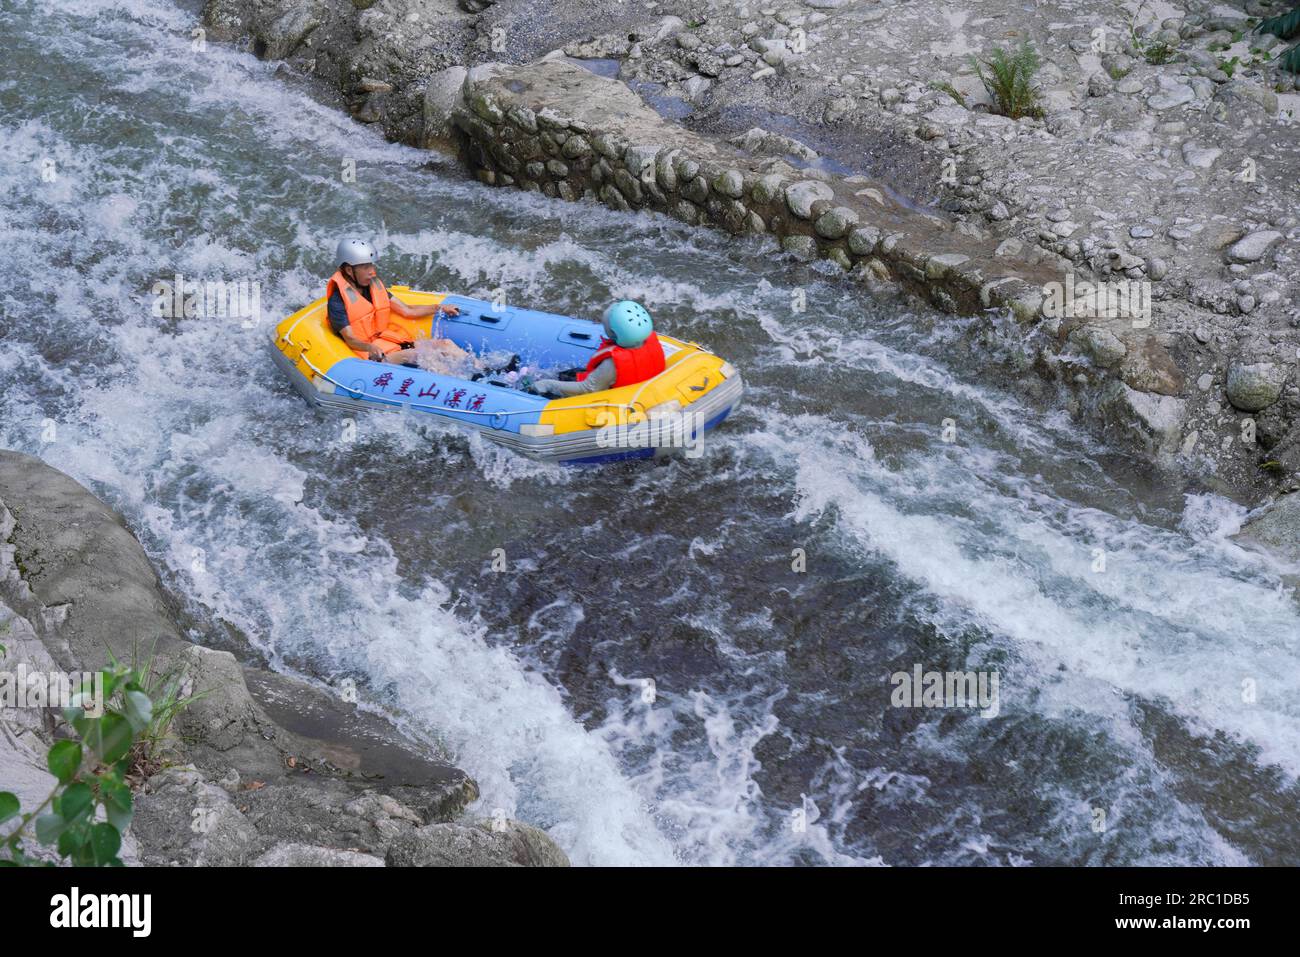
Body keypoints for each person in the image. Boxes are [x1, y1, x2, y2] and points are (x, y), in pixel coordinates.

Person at [326, 238, 466, 366]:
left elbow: (408, 310)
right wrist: (370, 347)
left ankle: (481, 369)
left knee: (445, 344)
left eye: (371, 266)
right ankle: (463, 385)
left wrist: (440, 307)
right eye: (365, 267)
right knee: (420, 355)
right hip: (371, 355)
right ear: (349, 270)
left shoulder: (373, 287)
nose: (372, 272)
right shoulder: (337, 302)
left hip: (390, 343)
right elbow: (350, 339)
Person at [531, 301, 666, 397]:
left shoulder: (612, 365)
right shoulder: (650, 340)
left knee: (544, 383)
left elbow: (587, 389)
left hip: (603, 394)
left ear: (614, 333)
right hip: (630, 387)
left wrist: (548, 385)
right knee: (569, 372)